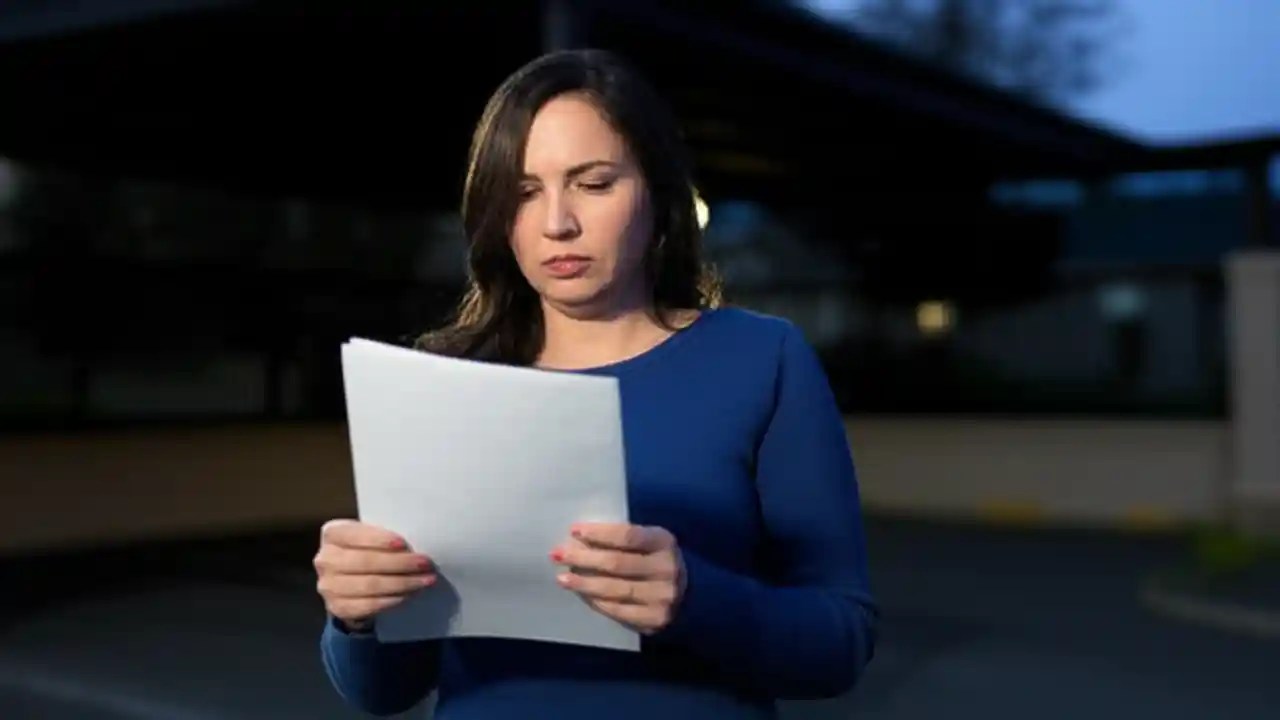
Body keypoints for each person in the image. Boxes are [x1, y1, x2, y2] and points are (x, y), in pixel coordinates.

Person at [313, 48, 877, 719]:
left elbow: (841, 642)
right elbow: (383, 691)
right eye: (524, 192)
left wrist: (696, 599)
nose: (557, 223)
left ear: (658, 194)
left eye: (594, 182)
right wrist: (355, 615)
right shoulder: (443, 382)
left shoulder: (762, 358)